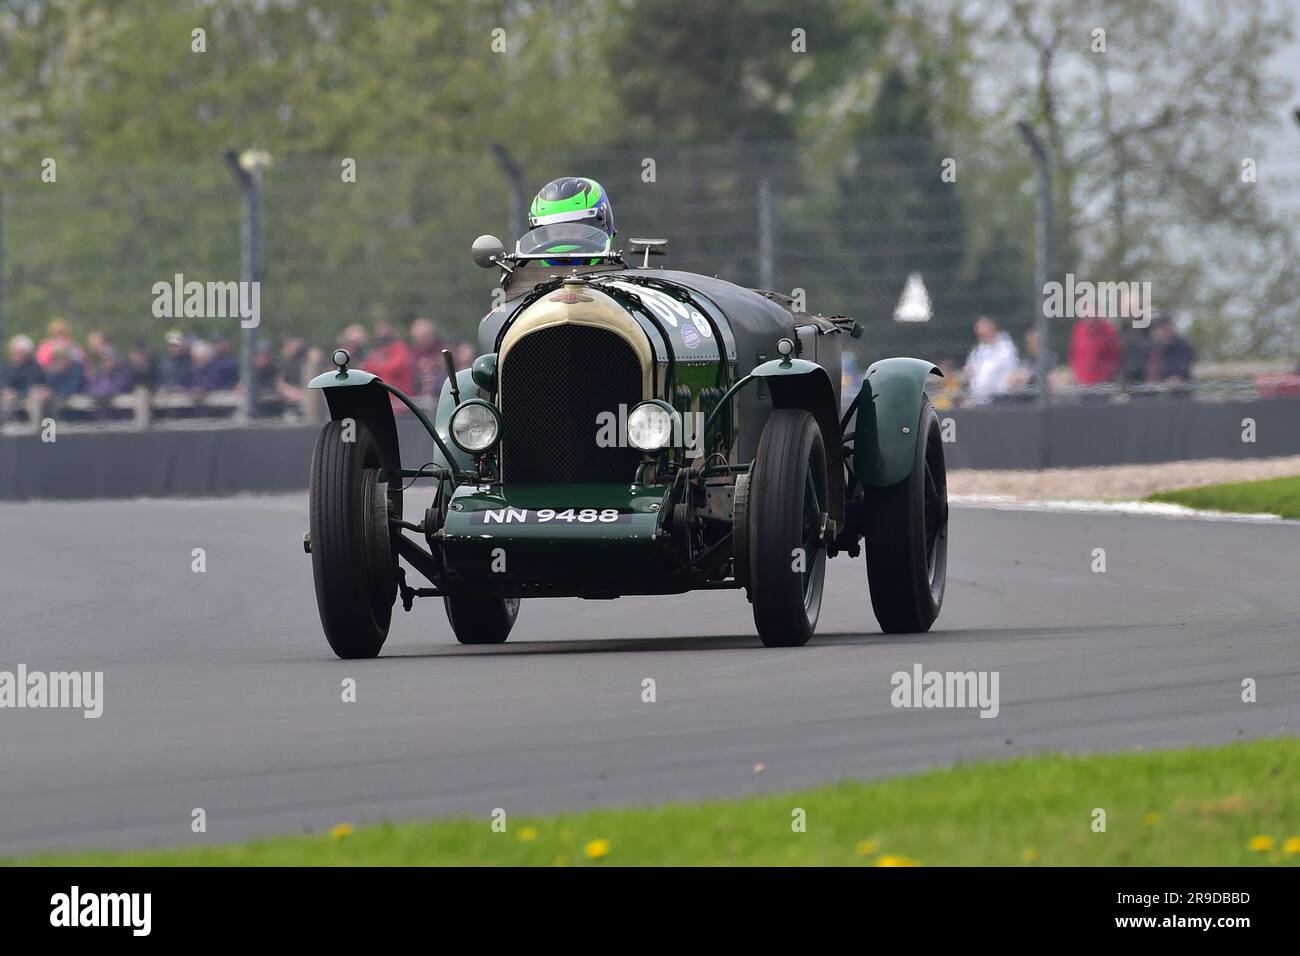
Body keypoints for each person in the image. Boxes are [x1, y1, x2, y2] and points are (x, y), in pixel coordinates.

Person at [526, 177, 615, 265]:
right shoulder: (520, 278)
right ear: (543, 235)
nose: (566, 240)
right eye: (557, 233)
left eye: (575, 230)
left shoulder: (623, 277)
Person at [963, 316, 1019, 405]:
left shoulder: (1005, 347)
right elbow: (969, 368)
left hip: (1000, 398)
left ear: (992, 327)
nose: (979, 332)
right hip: (979, 399)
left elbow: (991, 369)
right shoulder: (978, 349)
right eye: (978, 329)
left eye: (982, 328)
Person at [366, 322, 417, 412]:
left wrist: (379, 367)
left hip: (401, 403)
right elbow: (368, 367)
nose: (384, 341)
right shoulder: (378, 351)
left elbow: (396, 367)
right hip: (384, 402)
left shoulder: (401, 349)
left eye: (386, 338)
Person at [1069, 310, 1123, 386]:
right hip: (1082, 384)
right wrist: (1077, 375)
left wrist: (1103, 378)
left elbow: (1115, 358)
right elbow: (1074, 355)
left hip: (1102, 385)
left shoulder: (1109, 331)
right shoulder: (1079, 330)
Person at [2, 335, 47, 421]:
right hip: (15, 396)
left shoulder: (34, 367)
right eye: (14, 353)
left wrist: (17, 394)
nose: (15, 356)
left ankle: (34, 429)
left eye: (18, 353)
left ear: (26, 354)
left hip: (30, 396)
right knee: (6, 397)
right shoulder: (11, 368)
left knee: (35, 396)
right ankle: (7, 425)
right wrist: (7, 391)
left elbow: (32, 386)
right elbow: (7, 383)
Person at [1142, 316, 1196, 388]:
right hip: (1146, 392)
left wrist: (1175, 377)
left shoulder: (1182, 346)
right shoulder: (1146, 347)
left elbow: (1183, 366)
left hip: (1176, 393)